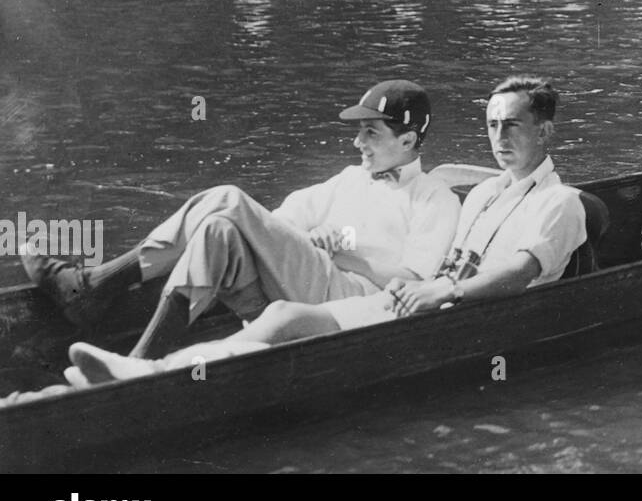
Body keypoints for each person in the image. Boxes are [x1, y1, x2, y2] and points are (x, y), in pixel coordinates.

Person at [63, 76, 590, 386]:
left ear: (545, 131)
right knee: (229, 236)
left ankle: (134, 341)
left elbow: (519, 272)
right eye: (493, 125)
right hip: (414, 300)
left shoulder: (559, 202)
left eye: (513, 125)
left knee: (274, 292)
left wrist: (433, 286)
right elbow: (278, 225)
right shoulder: (480, 193)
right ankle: (149, 367)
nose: (499, 136)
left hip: (427, 306)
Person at [21, 80, 461, 358]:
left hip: (355, 300)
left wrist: (349, 249)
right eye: (359, 130)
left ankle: (95, 286)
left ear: (407, 139)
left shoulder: (434, 198)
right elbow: (275, 223)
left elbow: (411, 282)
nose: (356, 142)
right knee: (219, 229)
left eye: (371, 133)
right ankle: (142, 359)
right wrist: (312, 234)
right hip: (303, 281)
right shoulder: (347, 179)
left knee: (229, 199)